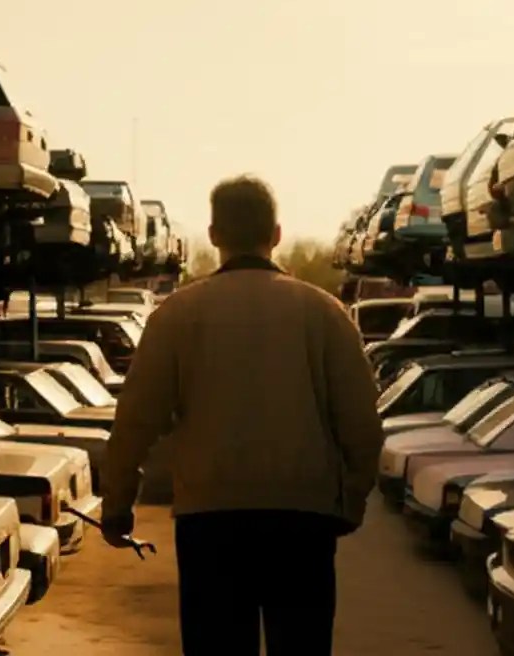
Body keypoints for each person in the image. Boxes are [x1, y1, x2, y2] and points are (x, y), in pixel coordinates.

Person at [100, 174, 384, 655]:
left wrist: (117, 505)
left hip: (210, 521)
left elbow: (135, 423)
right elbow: (362, 424)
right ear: (276, 235)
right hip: (303, 522)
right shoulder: (325, 314)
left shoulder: (176, 315)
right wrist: (351, 498)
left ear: (213, 236)